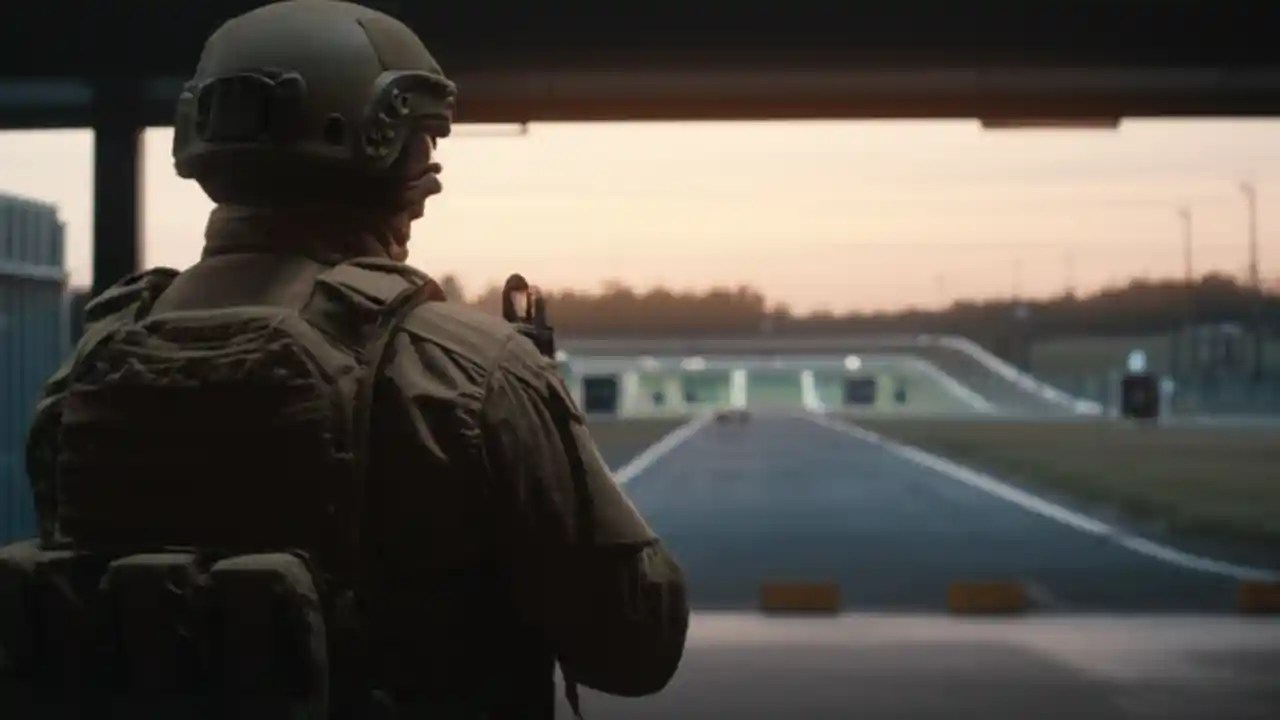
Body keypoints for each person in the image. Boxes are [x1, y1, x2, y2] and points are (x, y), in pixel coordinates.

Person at [19, 1, 688, 716]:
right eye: (422, 138)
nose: (429, 172)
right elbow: (634, 641)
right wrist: (546, 413)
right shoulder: (470, 369)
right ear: (377, 137)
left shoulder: (91, 368)